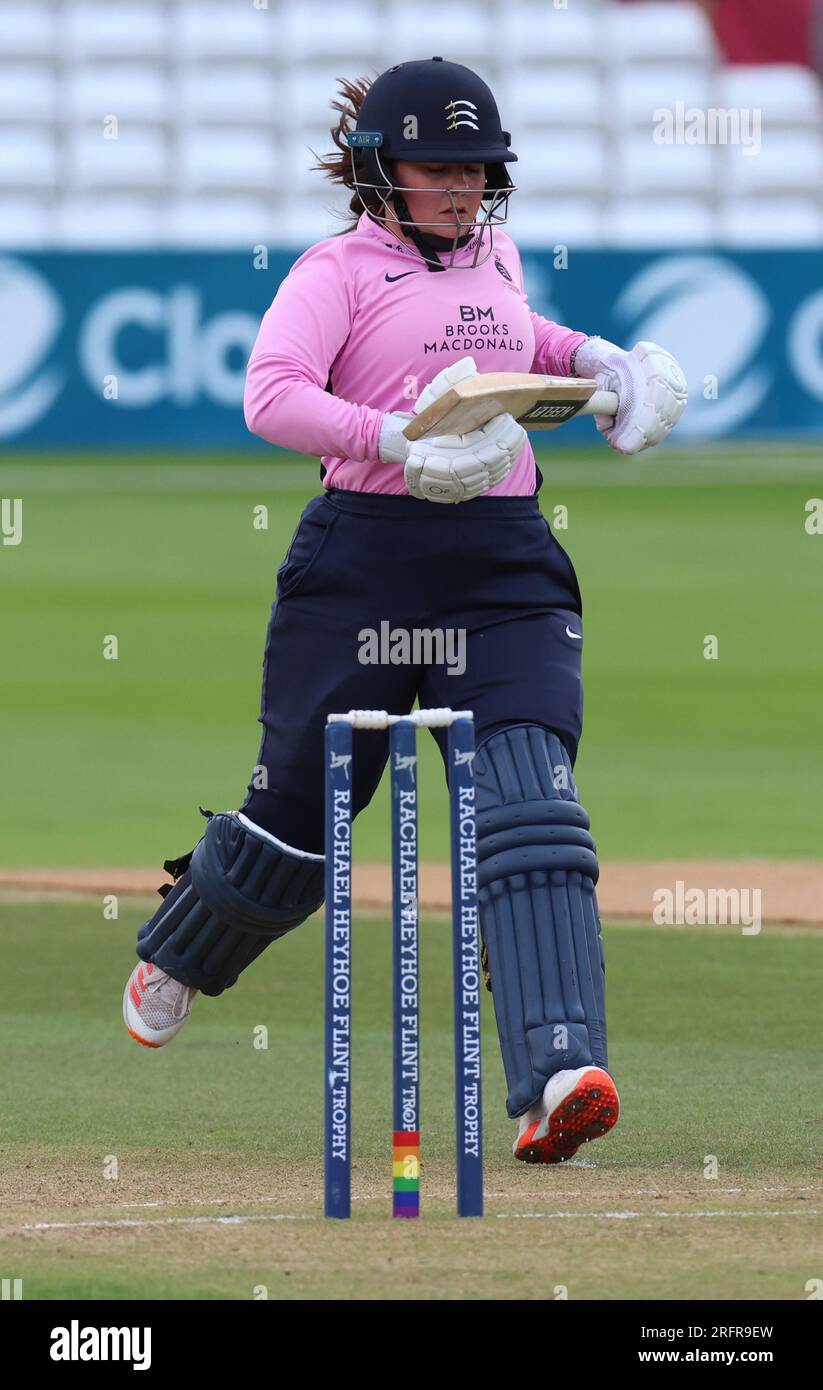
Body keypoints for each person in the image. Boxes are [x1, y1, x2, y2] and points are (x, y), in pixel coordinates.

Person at [122, 58, 687, 1166]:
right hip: (366, 563)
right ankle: (183, 947)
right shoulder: (337, 271)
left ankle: (558, 1072)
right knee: (298, 824)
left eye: (479, 169)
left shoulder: (494, 254)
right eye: (440, 166)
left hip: (503, 561)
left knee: (529, 804)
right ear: (382, 171)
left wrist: (604, 365)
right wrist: (394, 441)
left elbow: (524, 340)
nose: (464, 188)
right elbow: (270, 394)